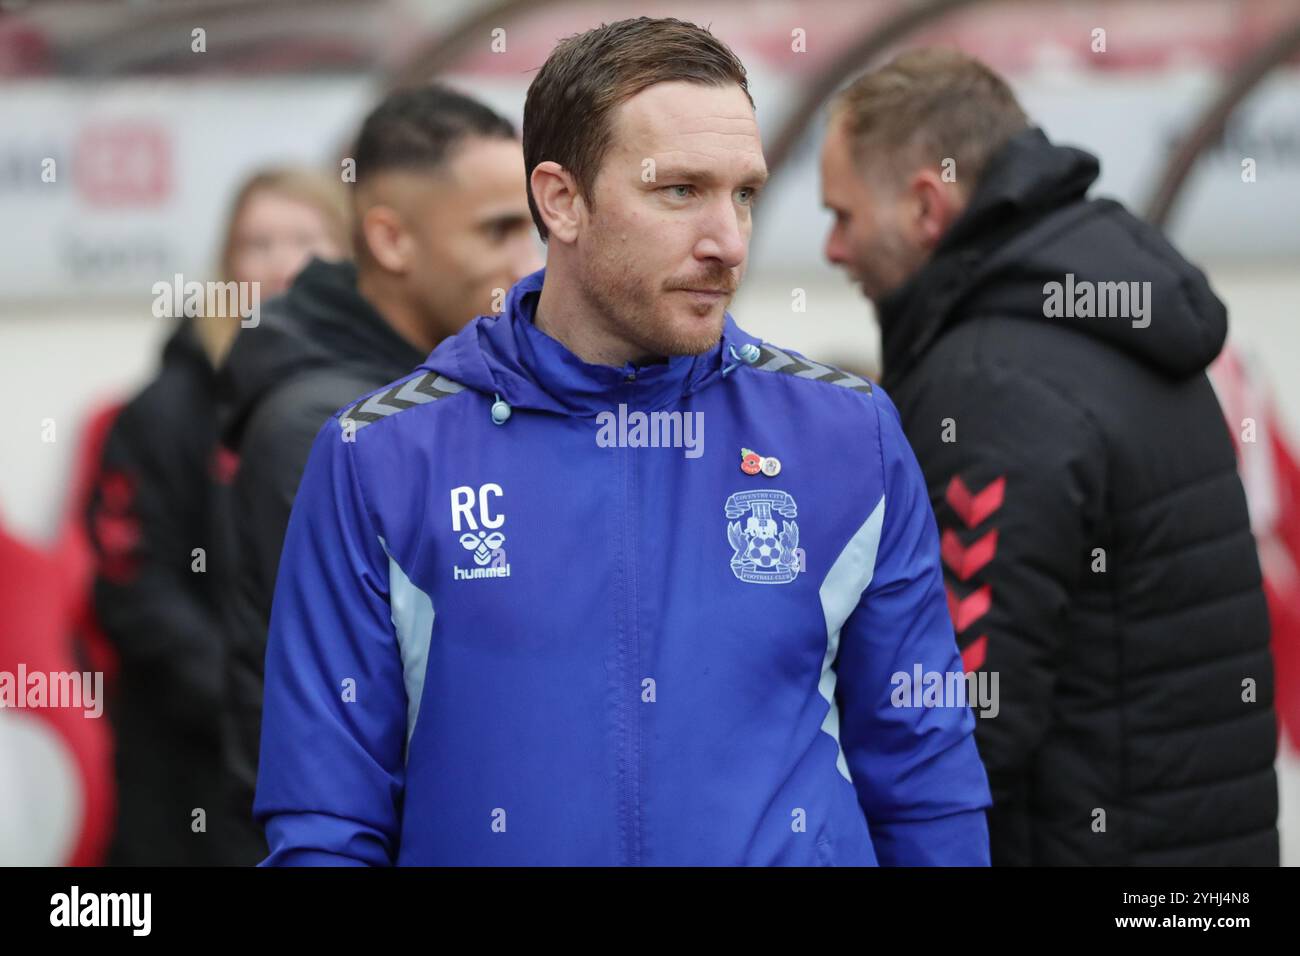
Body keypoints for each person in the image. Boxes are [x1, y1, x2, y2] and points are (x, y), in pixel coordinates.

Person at [253, 17, 991, 866]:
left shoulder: (846, 435)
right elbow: (325, 826)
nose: (726, 241)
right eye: (679, 190)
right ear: (561, 200)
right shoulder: (380, 458)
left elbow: (928, 781)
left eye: (743, 193)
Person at [819, 48, 1279, 865]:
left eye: (844, 215)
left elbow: (960, 723)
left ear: (927, 206)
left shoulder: (991, 379)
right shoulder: (1105, 317)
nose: (832, 249)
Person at [217, 84, 541, 863]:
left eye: (531, 228)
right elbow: (355, 713)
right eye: (496, 231)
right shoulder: (332, 429)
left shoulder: (456, 391)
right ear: (392, 241)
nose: (527, 264)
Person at [87, 166, 349, 865]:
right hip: (192, 773)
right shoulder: (164, 411)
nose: (282, 263)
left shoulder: (384, 402)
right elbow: (137, 596)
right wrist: (260, 706)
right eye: (256, 244)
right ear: (227, 264)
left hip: (338, 765)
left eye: (306, 238)